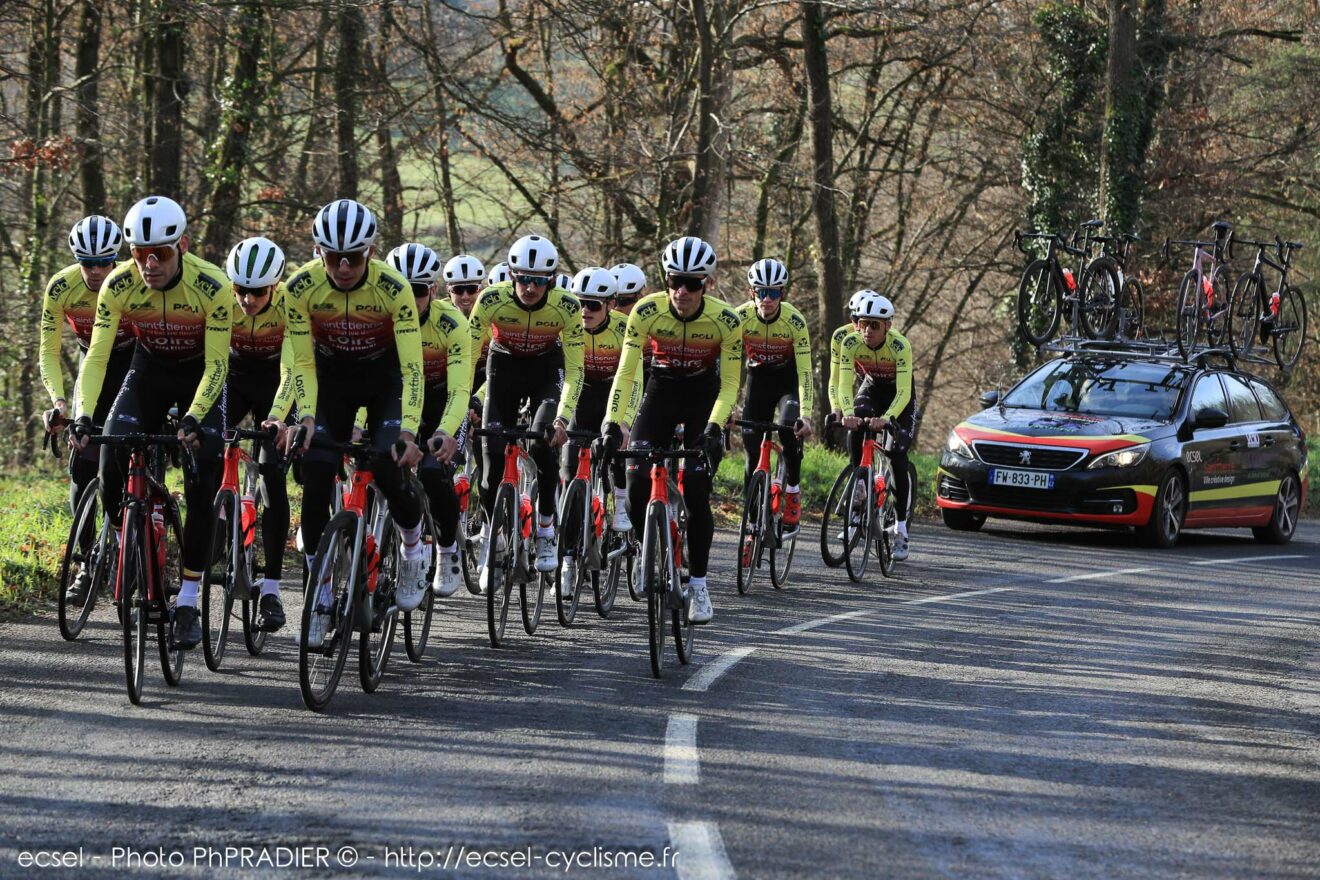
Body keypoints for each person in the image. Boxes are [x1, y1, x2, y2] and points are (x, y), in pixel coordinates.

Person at [71, 196, 231, 649]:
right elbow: (98, 356)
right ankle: (129, 540)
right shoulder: (118, 285)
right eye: (140, 253)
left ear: (181, 244)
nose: (149, 263)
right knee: (108, 456)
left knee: (203, 478)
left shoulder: (212, 285)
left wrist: (196, 417)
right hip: (149, 370)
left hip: (200, 373)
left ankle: (189, 598)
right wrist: (84, 413)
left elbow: (219, 366)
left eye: (159, 253)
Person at [283, 199, 428, 645]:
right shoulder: (300, 288)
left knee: (386, 463)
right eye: (333, 257)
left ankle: (412, 546)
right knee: (316, 469)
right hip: (331, 379)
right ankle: (319, 594)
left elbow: (413, 368)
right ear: (317, 252)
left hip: (384, 379)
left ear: (369, 251)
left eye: (353, 257)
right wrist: (305, 416)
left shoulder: (394, 287)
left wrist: (408, 429)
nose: (344, 267)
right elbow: (302, 363)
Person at [600, 236, 743, 624]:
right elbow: (627, 373)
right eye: (675, 280)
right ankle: (648, 549)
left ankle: (698, 584)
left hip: (703, 395)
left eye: (692, 283)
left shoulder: (726, 320)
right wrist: (616, 423)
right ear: (666, 279)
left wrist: (715, 426)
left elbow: (730, 384)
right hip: (660, 390)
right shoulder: (645, 311)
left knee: (696, 491)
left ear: (707, 285)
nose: (682, 290)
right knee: (636, 486)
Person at [467, 234, 583, 581]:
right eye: (522, 278)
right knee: (489, 473)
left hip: (546, 371)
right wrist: (467, 402)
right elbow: (469, 359)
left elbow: (576, 371)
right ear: (511, 274)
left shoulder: (567, 305)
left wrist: (563, 418)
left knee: (540, 443)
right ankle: (496, 540)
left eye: (538, 280)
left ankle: (546, 529)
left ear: (551, 279)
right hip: (502, 371)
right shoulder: (490, 300)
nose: (529, 288)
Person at [40, 216, 134, 603]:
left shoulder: (133, 280)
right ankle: (86, 564)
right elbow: (47, 349)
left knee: (127, 453)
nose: (96, 271)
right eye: (87, 262)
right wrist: (59, 401)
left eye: (104, 262)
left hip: (134, 365)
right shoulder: (61, 286)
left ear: (116, 259)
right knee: (82, 459)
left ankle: (138, 539)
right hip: (91, 369)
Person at [387, 243, 471, 597]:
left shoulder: (452, 323)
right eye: (401, 290)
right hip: (397, 399)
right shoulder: (379, 322)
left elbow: (459, 391)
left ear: (432, 291)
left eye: (417, 291)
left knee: (436, 475)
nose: (410, 299)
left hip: (442, 402)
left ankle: (448, 550)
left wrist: (444, 431)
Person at [222, 236, 296, 632]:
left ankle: (271, 588)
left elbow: (291, 369)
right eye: (240, 289)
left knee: (271, 480)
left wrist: (279, 417)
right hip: (233, 376)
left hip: (276, 381)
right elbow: (209, 359)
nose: (247, 299)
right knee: (210, 448)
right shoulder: (221, 299)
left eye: (257, 291)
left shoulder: (289, 305)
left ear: (275, 284)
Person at [557, 267, 638, 594]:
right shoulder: (567, 326)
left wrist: (626, 421)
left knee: (617, 444)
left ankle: (620, 501)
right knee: (569, 469)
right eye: (579, 304)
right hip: (579, 395)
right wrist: (558, 417)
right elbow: (558, 374)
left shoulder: (624, 328)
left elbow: (634, 379)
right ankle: (568, 560)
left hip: (614, 394)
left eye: (592, 304)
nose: (585, 311)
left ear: (610, 304)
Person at [734, 258, 813, 531]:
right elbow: (730, 368)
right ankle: (753, 524)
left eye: (774, 293)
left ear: (782, 294)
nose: (767, 299)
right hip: (757, 379)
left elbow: (805, 372)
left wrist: (807, 415)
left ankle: (792, 489)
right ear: (751, 293)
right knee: (750, 455)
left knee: (789, 429)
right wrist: (728, 407)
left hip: (786, 380)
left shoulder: (794, 321)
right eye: (761, 292)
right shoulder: (739, 318)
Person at [838, 294, 916, 561]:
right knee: (856, 425)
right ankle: (861, 488)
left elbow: (904, 391)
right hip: (871, 387)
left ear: (887, 326)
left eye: (874, 325)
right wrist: (847, 413)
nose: (867, 330)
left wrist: (889, 417)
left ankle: (901, 528)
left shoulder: (900, 346)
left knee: (896, 455)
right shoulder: (850, 343)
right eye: (862, 324)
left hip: (898, 396)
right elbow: (843, 384)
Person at [828, 290, 880, 422]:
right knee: (857, 417)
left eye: (868, 322)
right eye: (855, 319)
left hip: (887, 384)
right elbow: (835, 378)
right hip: (864, 382)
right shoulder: (841, 337)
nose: (859, 326)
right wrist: (836, 407)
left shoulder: (884, 336)